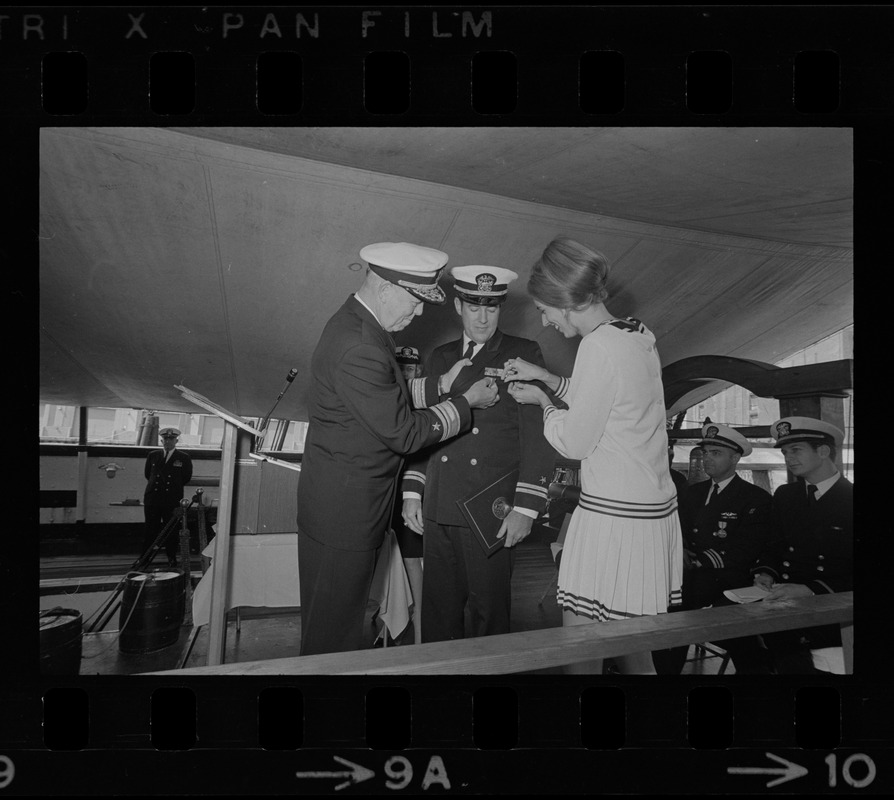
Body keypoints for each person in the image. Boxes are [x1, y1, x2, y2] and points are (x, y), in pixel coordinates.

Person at [295, 242, 499, 657]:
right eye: (415, 300)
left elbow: (384, 394)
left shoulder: (359, 324)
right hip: (344, 516)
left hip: (340, 506)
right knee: (332, 636)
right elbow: (403, 432)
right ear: (386, 289)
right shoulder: (361, 345)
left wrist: (440, 384)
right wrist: (465, 403)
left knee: (335, 624)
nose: (419, 313)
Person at [502, 236, 682, 675]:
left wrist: (542, 404)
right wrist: (547, 379)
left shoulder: (596, 346)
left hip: (612, 518)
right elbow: (611, 402)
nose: (545, 321)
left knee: (580, 647)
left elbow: (574, 442)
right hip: (649, 515)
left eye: (544, 310)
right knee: (633, 645)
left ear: (564, 302)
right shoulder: (635, 333)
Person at [401, 265, 557, 643]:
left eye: (491, 308)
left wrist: (526, 508)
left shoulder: (523, 353)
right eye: (474, 307)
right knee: (438, 615)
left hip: (490, 509)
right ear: (458, 307)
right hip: (440, 504)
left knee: (490, 618)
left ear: (501, 308)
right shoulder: (440, 357)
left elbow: (537, 436)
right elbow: (426, 429)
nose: (483, 318)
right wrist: (413, 491)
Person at [720, 416, 852, 674]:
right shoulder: (786, 495)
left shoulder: (850, 500)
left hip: (830, 605)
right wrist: (765, 572)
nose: (788, 458)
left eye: (796, 450)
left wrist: (810, 590)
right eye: (785, 452)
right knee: (728, 624)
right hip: (781, 598)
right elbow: (774, 544)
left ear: (823, 451)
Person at [653, 422, 772, 674]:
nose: (707, 458)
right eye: (705, 452)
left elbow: (746, 548)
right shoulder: (692, 492)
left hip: (726, 579)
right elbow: (678, 528)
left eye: (715, 453)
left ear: (735, 458)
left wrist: (698, 561)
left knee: (738, 636)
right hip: (688, 577)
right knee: (665, 625)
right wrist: (680, 550)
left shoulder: (755, 498)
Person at [390, 345, 426, 645]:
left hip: (411, 493)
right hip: (386, 492)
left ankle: (420, 632)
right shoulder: (386, 401)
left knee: (413, 562)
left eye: (410, 368)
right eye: (400, 367)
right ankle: (389, 626)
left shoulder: (423, 406)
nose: (405, 373)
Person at [143, 427, 193, 568]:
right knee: (150, 529)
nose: (168, 441)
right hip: (153, 498)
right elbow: (148, 475)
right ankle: (145, 558)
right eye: (165, 439)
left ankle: (171, 558)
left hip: (171, 499)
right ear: (161, 441)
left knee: (171, 530)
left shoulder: (183, 458)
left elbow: (186, 477)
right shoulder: (153, 455)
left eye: (171, 439)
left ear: (176, 441)